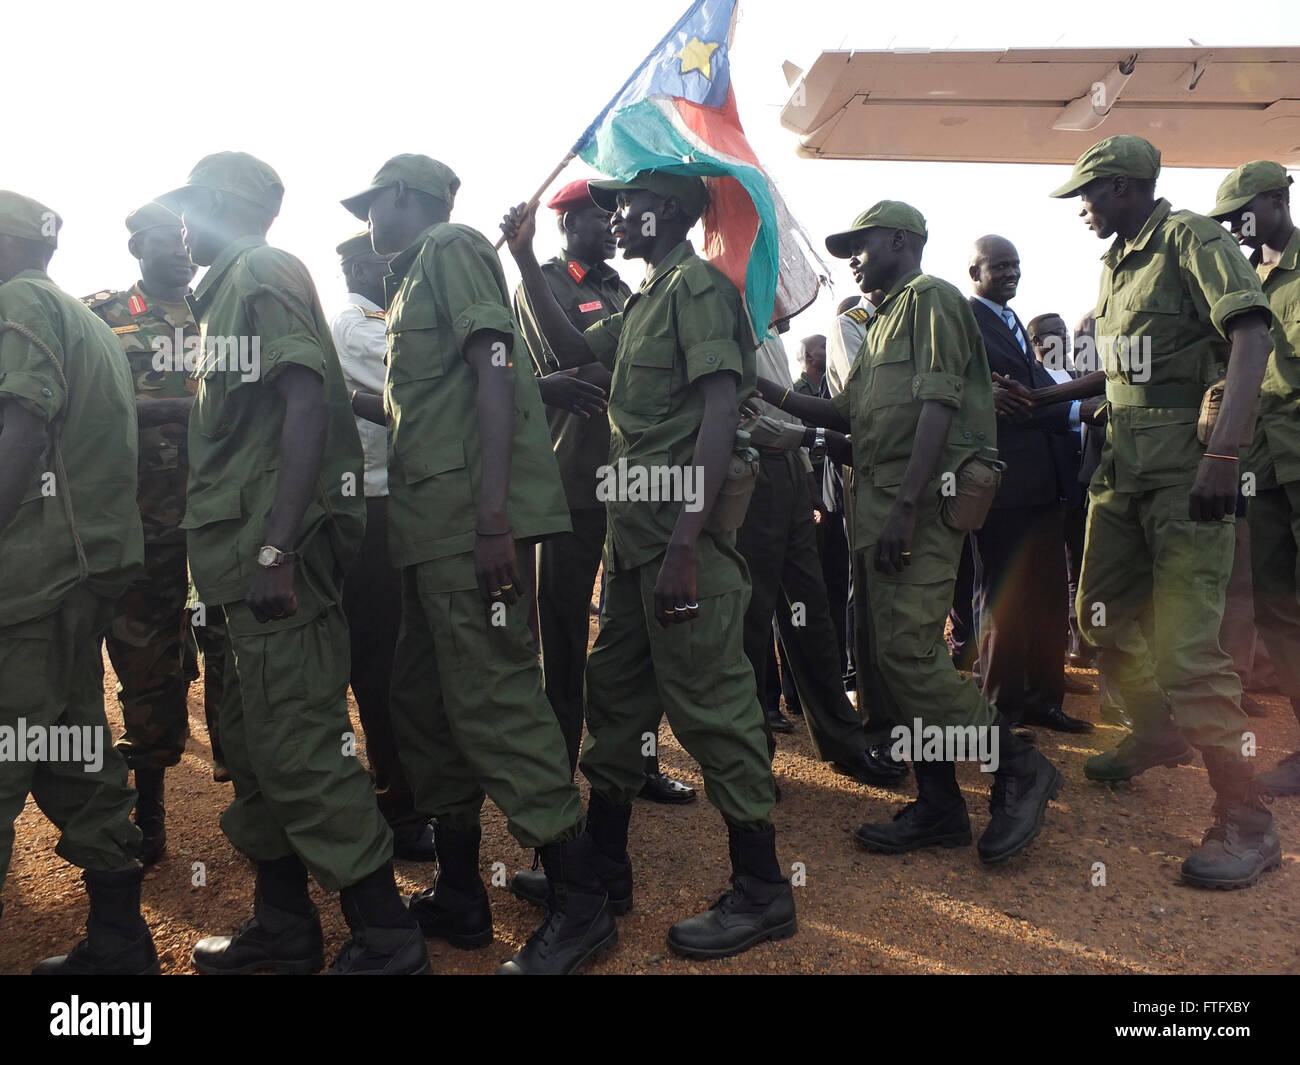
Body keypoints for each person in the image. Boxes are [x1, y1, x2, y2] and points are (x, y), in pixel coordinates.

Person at [502, 168, 797, 960]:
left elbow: (717, 410)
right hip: (637, 547)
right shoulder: (647, 297)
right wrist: (527, 261)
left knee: (714, 712)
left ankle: (765, 891)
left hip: (679, 545)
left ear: (663, 211)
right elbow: (576, 353)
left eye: (623, 207)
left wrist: (683, 547)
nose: (615, 219)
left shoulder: (697, 286)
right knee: (617, 704)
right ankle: (606, 866)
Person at [344, 154, 616, 975]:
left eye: (371, 208)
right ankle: (462, 888)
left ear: (401, 198)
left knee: (496, 701)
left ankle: (582, 901)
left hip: (469, 531)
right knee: (423, 705)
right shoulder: (416, 277)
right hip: (430, 534)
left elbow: (495, 371)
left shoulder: (454, 247)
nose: (367, 226)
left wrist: (494, 518)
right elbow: (423, 406)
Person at [162, 152, 426, 974]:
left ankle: (385, 933)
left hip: (272, 564)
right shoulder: (228, 290)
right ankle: (284, 923)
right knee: (250, 747)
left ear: (215, 206)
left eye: (187, 208)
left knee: (304, 746)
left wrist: (277, 546)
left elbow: (306, 401)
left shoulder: (261, 272)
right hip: (234, 571)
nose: (178, 226)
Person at [760, 201, 1063, 864]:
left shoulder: (932, 301)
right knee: (885, 668)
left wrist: (902, 506)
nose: (852, 260)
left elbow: (937, 404)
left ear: (902, 240)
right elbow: (848, 414)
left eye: (861, 246)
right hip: (881, 515)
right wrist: (768, 390)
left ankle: (1016, 764)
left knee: (910, 658)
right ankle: (940, 804)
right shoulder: (884, 319)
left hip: (919, 510)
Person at [1043, 135, 1280, 888]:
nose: (1082, 207)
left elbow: (1252, 333)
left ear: (1125, 186)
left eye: (1090, 192)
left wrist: (1224, 454)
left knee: (1189, 648)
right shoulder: (1118, 262)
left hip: (1186, 469)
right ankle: (1157, 727)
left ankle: (1247, 820)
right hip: (1122, 471)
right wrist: (1043, 397)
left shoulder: (1190, 238)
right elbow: (1120, 375)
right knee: (1100, 613)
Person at [0, 190, 158, 973]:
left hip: (31, 573)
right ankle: (120, 940)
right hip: (82, 570)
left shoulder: (20, 303)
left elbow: (23, 424)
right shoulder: (88, 320)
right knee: (70, 745)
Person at [512, 178, 695, 806]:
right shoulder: (545, 283)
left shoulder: (626, 289)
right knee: (564, 637)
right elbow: (555, 366)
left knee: (632, 634)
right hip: (569, 484)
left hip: (631, 486)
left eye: (621, 209)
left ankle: (633, 763)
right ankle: (557, 776)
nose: (615, 220)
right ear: (569, 224)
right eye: (603, 214)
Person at [83, 202, 209, 865]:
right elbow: (88, 402)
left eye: (188, 241)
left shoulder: (224, 307)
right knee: (147, 660)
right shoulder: (102, 316)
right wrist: (180, 410)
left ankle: (261, 801)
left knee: (229, 660)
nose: (183, 254)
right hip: (146, 523)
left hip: (224, 519)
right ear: (139, 249)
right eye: (167, 243)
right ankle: (150, 810)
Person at [743, 324, 906, 785]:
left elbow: (785, 414)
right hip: (750, 475)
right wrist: (813, 442)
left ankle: (842, 741)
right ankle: (752, 757)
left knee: (812, 615)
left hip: (789, 476)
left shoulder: (766, 332)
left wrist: (804, 476)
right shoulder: (721, 315)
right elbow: (735, 413)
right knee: (751, 625)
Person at [330, 232, 437, 863]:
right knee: (383, 662)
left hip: (396, 503)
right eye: (386, 257)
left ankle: (402, 792)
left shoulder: (383, 320)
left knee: (401, 656)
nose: (397, 265)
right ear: (360, 265)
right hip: (372, 509)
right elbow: (414, 395)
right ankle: (397, 803)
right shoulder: (356, 325)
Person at [967, 239, 1091, 733]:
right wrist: (988, 394)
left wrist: (1083, 410)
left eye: (1016, 265)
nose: (1011, 273)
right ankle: (1000, 708)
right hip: (1001, 485)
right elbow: (953, 384)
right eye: (1000, 266)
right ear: (974, 269)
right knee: (1002, 597)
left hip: (1043, 485)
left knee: (1046, 599)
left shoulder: (1013, 322)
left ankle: (1044, 700)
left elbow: (1035, 395)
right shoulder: (965, 320)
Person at [1209, 160, 1300, 793]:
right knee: (1275, 607)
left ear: (1277, 199)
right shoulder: (1246, 284)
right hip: (1265, 468)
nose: (1234, 228)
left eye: (1241, 211)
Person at [1025, 312, 1093, 698]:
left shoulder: (1072, 373)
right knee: (1056, 574)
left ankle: (1080, 646)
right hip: (1050, 489)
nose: (1059, 340)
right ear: (1034, 341)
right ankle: (1055, 657)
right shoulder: (1033, 378)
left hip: (1081, 484)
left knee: (1080, 567)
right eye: (1050, 335)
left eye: (1063, 333)